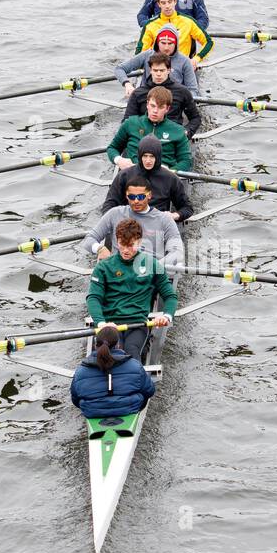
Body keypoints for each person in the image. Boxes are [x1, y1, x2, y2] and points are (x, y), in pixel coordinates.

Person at [84, 218, 177, 360]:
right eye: (122, 244)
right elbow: (93, 298)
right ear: (116, 240)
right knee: (109, 355)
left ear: (139, 242)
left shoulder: (152, 265)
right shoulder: (103, 267)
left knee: (131, 353)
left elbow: (170, 296)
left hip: (137, 323)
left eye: (131, 245)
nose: (126, 250)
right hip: (109, 325)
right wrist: (101, 323)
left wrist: (166, 316)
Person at [82, 175, 184, 267]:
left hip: (148, 273)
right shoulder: (114, 213)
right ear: (126, 196)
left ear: (149, 195)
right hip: (119, 269)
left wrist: (154, 267)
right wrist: (100, 249)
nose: (136, 201)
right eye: (132, 197)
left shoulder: (164, 220)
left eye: (140, 197)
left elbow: (177, 253)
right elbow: (89, 239)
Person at [70, 324, 157, 420]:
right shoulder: (135, 365)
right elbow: (150, 391)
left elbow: (75, 399)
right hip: (129, 409)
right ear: (118, 345)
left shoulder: (81, 370)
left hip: (93, 411)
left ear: (95, 345)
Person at [101, 136, 193, 224]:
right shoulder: (124, 175)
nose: (148, 160)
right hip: (128, 225)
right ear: (140, 156)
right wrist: (118, 223)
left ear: (158, 156)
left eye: (152, 156)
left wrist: (174, 215)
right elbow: (108, 206)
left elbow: (187, 208)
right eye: (145, 156)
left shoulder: (170, 178)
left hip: (156, 226)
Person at [104, 86, 192, 171]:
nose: (155, 111)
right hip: (133, 173)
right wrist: (119, 160)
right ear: (147, 104)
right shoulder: (131, 123)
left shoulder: (178, 131)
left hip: (162, 178)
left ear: (167, 109)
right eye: (153, 106)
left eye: (160, 107)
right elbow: (112, 148)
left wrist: (171, 171)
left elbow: (186, 161)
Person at [123, 51, 201, 138]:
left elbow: (195, 118)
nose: (158, 74)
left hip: (171, 137)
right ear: (150, 70)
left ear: (169, 70)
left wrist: (187, 132)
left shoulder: (182, 91)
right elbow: (127, 121)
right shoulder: (138, 93)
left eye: (162, 70)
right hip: (145, 137)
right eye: (155, 70)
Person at [136, 0, 212, 65]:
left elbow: (209, 43)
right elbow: (140, 52)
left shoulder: (189, 22)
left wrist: (196, 59)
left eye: (170, 2)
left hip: (183, 67)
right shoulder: (150, 25)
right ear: (158, 4)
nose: (167, 6)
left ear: (175, 1)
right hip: (159, 68)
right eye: (163, 3)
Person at [115, 26, 198, 97]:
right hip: (147, 100)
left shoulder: (185, 61)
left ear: (176, 44)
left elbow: (193, 90)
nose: (166, 47)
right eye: (163, 43)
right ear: (157, 42)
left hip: (173, 102)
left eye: (170, 43)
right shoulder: (146, 55)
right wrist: (127, 84)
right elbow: (119, 68)